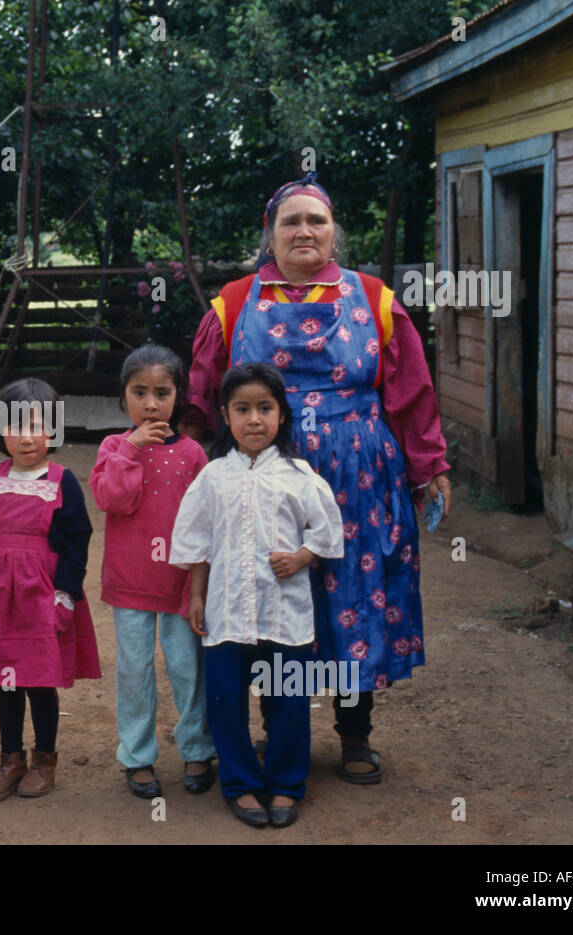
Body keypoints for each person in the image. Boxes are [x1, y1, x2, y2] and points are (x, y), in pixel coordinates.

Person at [181, 172, 451, 784]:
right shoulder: (233, 302)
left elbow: (411, 394)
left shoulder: (376, 299)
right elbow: (201, 397)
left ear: (334, 234)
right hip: (264, 477)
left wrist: (428, 465)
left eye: (316, 221)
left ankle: (355, 733)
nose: (304, 231)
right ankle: (282, 735)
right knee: (275, 594)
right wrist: (185, 462)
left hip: (361, 481)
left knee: (355, 598)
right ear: (270, 236)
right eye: (290, 222)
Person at [171, 362, 343, 827]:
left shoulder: (299, 475)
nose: (254, 420)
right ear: (225, 417)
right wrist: (197, 596)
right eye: (241, 409)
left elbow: (328, 533)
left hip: (284, 613)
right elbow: (198, 543)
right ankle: (241, 784)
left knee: (289, 702)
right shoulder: (212, 477)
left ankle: (287, 784)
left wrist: (302, 557)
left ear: (282, 415)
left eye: (265, 408)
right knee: (225, 700)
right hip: (226, 613)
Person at [0, 378, 100, 801]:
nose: (28, 436)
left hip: (42, 596)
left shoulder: (62, 480)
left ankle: (45, 759)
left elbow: (77, 539)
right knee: (7, 680)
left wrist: (66, 593)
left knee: (39, 680)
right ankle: (9, 759)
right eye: (15, 426)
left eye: (38, 425)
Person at [89, 345, 215, 799]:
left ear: (177, 396)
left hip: (180, 585)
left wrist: (198, 587)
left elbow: (205, 523)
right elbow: (113, 500)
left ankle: (198, 748)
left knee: (187, 668)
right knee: (134, 671)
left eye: (161, 393)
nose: (150, 404)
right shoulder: (111, 448)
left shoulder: (194, 454)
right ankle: (138, 757)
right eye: (138, 392)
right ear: (124, 397)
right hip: (130, 584)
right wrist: (129, 450)